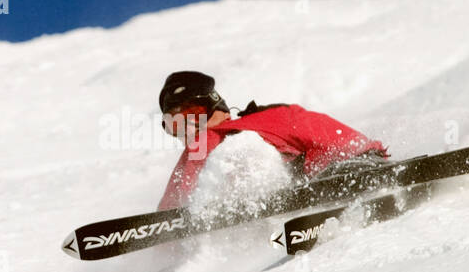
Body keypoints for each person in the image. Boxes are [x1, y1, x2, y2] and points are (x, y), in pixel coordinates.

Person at [156, 71, 388, 210]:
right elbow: (166, 217)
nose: (189, 129)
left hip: (321, 181)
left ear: (216, 105)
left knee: (237, 148)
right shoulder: (192, 155)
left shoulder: (267, 119)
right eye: (175, 124)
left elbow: (328, 134)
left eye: (193, 115)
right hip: (228, 225)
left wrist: (365, 157)